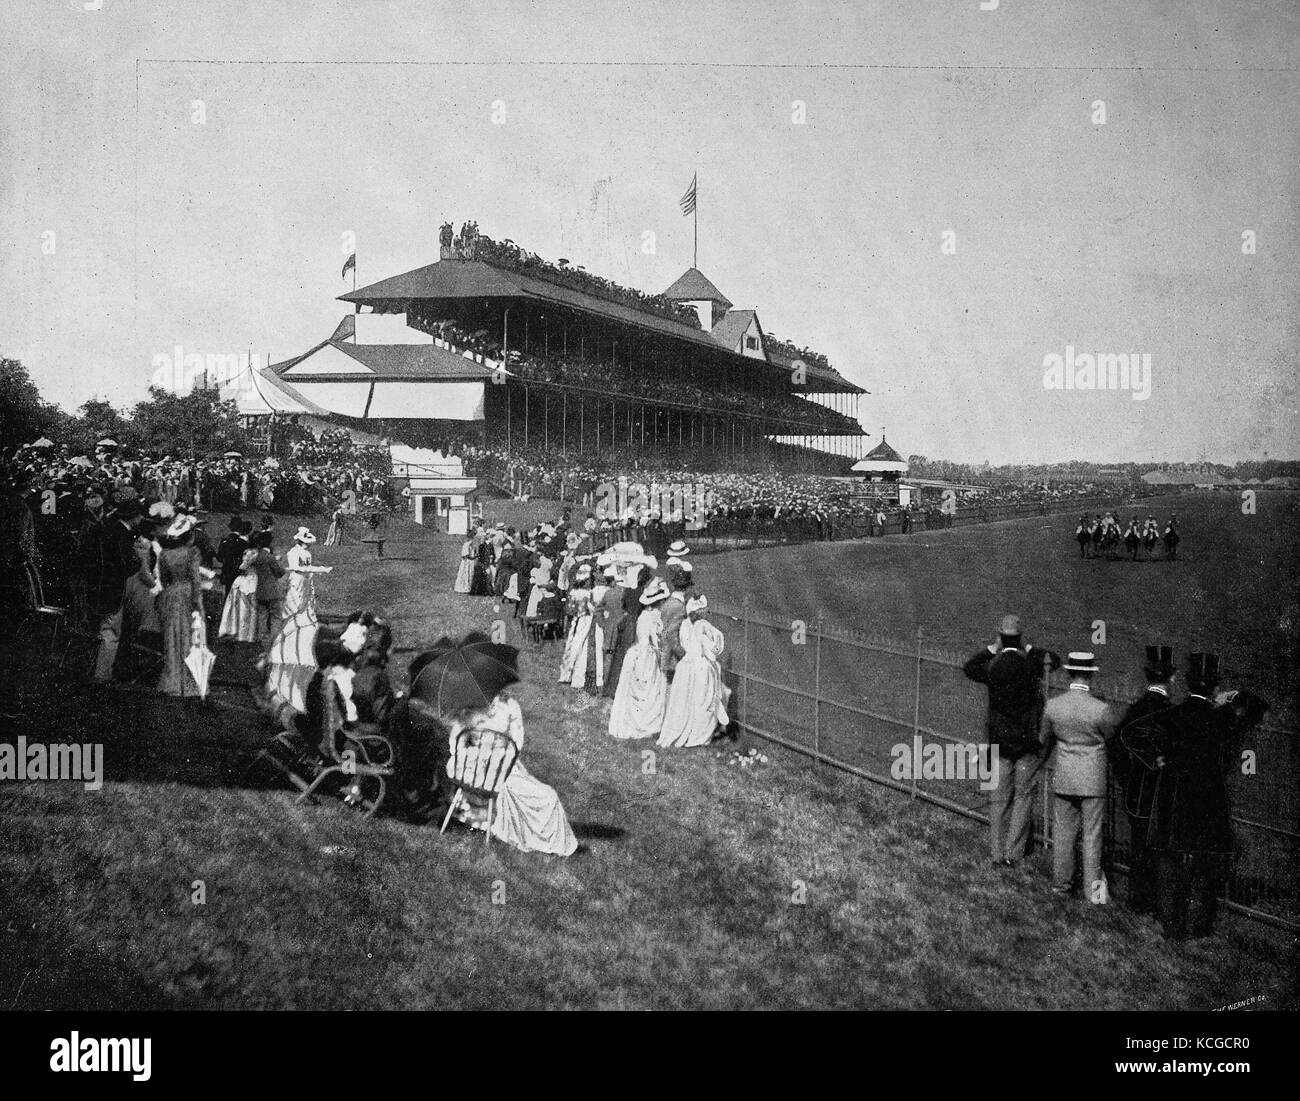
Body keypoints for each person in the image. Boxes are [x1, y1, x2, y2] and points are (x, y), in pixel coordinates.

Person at [1125, 653, 1268, 939]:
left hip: (1173, 797)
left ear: (1188, 683)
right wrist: (1230, 697)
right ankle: (1197, 926)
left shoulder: (1173, 714)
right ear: (1214, 686)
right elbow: (1257, 707)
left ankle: (1171, 926)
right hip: (1208, 799)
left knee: (1170, 862)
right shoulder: (1221, 718)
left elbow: (1131, 734)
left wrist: (1156, 758)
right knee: (1204, 865)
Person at [963, 614, 1061, 866]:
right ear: (1019, 638)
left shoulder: (994, 666)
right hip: (1027, 743)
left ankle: (996, 852)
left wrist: (991, 649)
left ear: (1000, 636)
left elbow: (969, 667)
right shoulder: (1030, 665)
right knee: (1023, 798)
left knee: (999, 799)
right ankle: (1013, 853)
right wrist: (1027, 647)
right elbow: (1054, 660)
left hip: (1001, 744)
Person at [446, 692, 577, 856]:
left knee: (548, 797)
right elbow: (456, 743)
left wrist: (498, 757)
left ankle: (548, 837)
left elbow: (516, 743)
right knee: (545, 797)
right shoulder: (468, 708)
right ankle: (482, 815)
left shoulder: (509, 705)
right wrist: (472, 756)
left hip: (503, 765)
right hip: (473, 770)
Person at [1040, 651, 1117, 901]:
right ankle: (1093, 893)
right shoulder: (1101, 710)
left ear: (1070, 673)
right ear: (1090, 676)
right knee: (1092, 837)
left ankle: (1061, 884)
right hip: (1092, 781)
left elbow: (1044, 740)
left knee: (1063, 833)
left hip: (1064, 776)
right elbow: (1110, 739)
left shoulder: (1054, 705)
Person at [1113, 644, 1178, 914]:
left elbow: (1116, 747)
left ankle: (1137, 899)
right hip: (1163, 792)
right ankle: (1155, 902)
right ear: (1172, 677)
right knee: (1161, 847)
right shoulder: (1172, 712)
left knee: (1139, 844)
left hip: (1137, 792)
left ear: (1147, 675)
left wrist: (1127, 780)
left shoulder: (1136, 708)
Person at [262, 526, 330, 718]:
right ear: (300, 540)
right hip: (297, 580)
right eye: (306, 540)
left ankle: (306, 631)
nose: (308, 543)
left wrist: (313, 574)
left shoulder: (306, 552)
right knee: (294, 607)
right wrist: (318, 569)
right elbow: (296, 568)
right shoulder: (293, 553)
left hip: (306, 581)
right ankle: (291, 632)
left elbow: (307, 570)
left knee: (307, 606)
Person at [657, 595, 730, 748]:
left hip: (685, 666)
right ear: (701, 612)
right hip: (699, 666)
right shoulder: (703, 625)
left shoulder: (684, 624)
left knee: (683, 700)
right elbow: (714, 647)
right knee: (703, 700)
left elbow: (684, 644)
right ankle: (699, 735)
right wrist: (714, 649)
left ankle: (681, 730)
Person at [89, 491, 144, 682]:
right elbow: (125, 565)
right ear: (134, 516)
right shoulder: (121, 535)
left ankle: (103, 672)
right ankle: (103, 675)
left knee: (110, 631)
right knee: (110, 633)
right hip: (112, 589)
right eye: (139, 515)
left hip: (109, 587)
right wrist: (138, 561)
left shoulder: (116, 530)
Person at [608, 578, 671, 740]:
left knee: (634, 689)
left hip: (635, 652)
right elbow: (656, 642)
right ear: (659, 601)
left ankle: (633, 721)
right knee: (650, 690)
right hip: (647, 655)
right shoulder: (656, 616)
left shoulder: (642, 615)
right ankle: (646, 725)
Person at [155, 514, 206, 697]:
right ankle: (189, 682)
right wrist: (197, 602)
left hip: (171, 594)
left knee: (172, 635)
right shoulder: (192, 553)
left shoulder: (164, 554)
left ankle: (173, 679)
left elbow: (164, 578)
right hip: (187, 593)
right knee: (190, 635)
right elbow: (195, 579)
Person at [557, 564, 603, 692]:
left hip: (576, 621)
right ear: (586, 580)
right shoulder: (588, 594)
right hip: (586, 620)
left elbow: (569, 610)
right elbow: (591, 609)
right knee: (582, 647)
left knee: (572, 646)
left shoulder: (573, 593)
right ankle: (579, 676)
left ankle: (566, 673)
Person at [219, 541, 260, 642]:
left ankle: (239, 631)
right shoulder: (253, 553)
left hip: (246, 580)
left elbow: (242, 566)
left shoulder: (249, 552)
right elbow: (243, 566)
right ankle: (246, 634)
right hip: (249, 580)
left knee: (241, 608)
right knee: (247, 609)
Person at [250, 530, 285, 640]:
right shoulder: (269, 557)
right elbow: (279, 572)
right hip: (272, 591)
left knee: (262, 615)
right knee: (276, 616)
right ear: (269, 543)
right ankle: (275, 638)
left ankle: (262, 637)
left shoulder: (257, 556)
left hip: (260, 590)